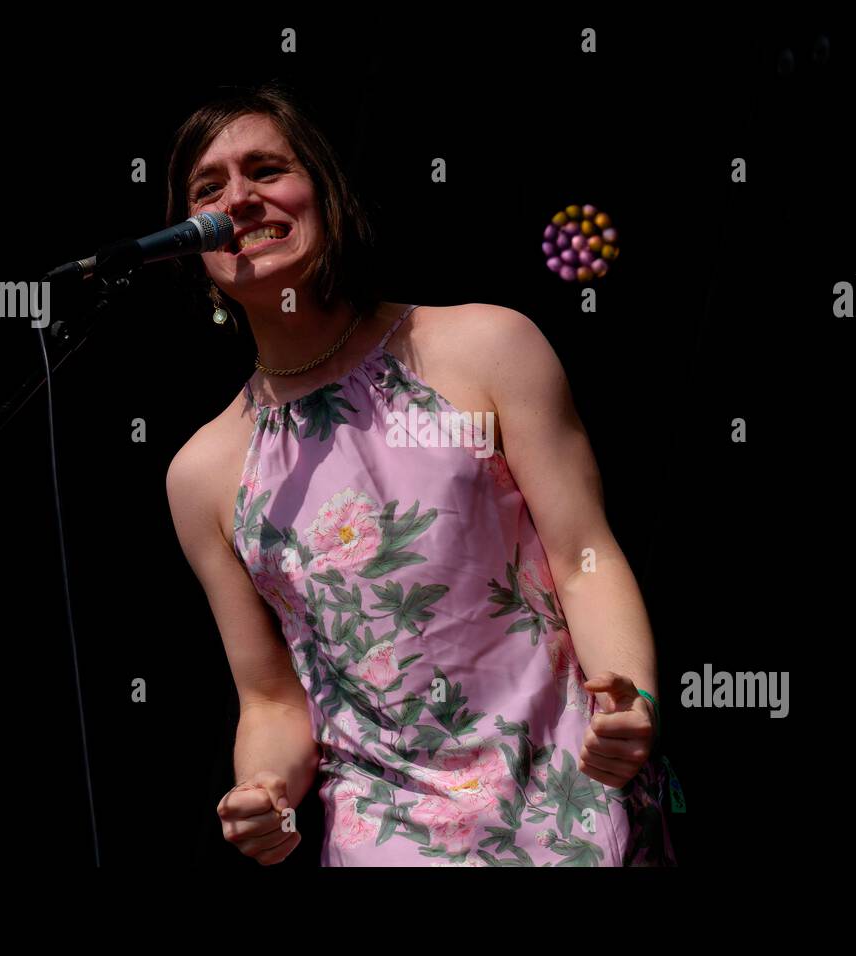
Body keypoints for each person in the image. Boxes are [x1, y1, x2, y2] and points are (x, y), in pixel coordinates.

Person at [165, 82, 676, 866]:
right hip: (387, 838)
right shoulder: (202, 473)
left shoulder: (484, 345)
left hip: (569, 797)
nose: (238, 197)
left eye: (266, 169)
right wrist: (263, 789)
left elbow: (585, 555)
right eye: (209, 187)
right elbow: (271, 697)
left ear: (325, 195)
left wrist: (628, 694)